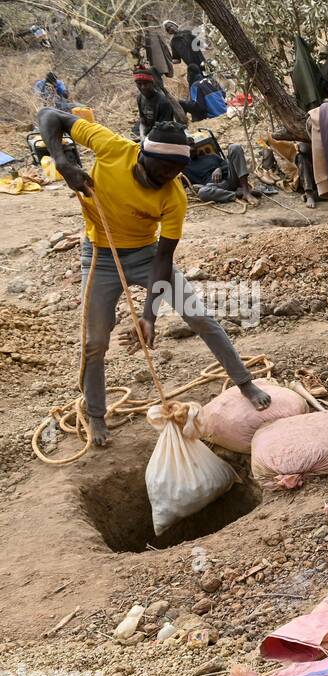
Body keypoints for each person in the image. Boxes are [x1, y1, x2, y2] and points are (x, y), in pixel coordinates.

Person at [35, 108, 269, 447]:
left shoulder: (174, 196)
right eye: (159, 170)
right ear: (141, 154)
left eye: (174, 173)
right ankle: (97, 414)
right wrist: (61, 161)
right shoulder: (111, 146)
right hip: (100, 255)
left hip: (147, 255)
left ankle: (244, 382)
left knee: (200, 317)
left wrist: (148, 316)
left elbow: (163, 257)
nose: (164, 179)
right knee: (94, 341)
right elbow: (49, 115)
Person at [185, 139, 258, 204]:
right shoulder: (185, 168)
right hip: (216, 188)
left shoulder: (212, 156)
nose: (192, 148)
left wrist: (219, 169)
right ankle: (239, 194)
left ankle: (245, 191)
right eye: (188, 146)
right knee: (203, 192)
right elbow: (187, 185)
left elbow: (228, 165)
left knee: (235, 147)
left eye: (192, 145)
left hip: (231, 179)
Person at [134, 65, 187, 139]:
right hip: (148, 135)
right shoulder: (140, 98)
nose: (142, 87)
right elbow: (142, 121)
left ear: (152, 83)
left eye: (145, 84)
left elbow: (163, 130)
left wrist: (147, 140)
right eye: (139, 84)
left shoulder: (163, 102)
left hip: (162, 136)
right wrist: (142, 136)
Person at [165, 19, 208, 86]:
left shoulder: (187, 32)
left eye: (171, 26)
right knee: (202, 83)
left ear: (175, 25)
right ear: (168, 32)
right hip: (193, 67)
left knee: (210, 79)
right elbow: (177, 59)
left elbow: (199, 43)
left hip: (201, 61)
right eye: (168, 28)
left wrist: (207, 46)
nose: (171, 28)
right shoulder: (173, 43)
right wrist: (169, 61)